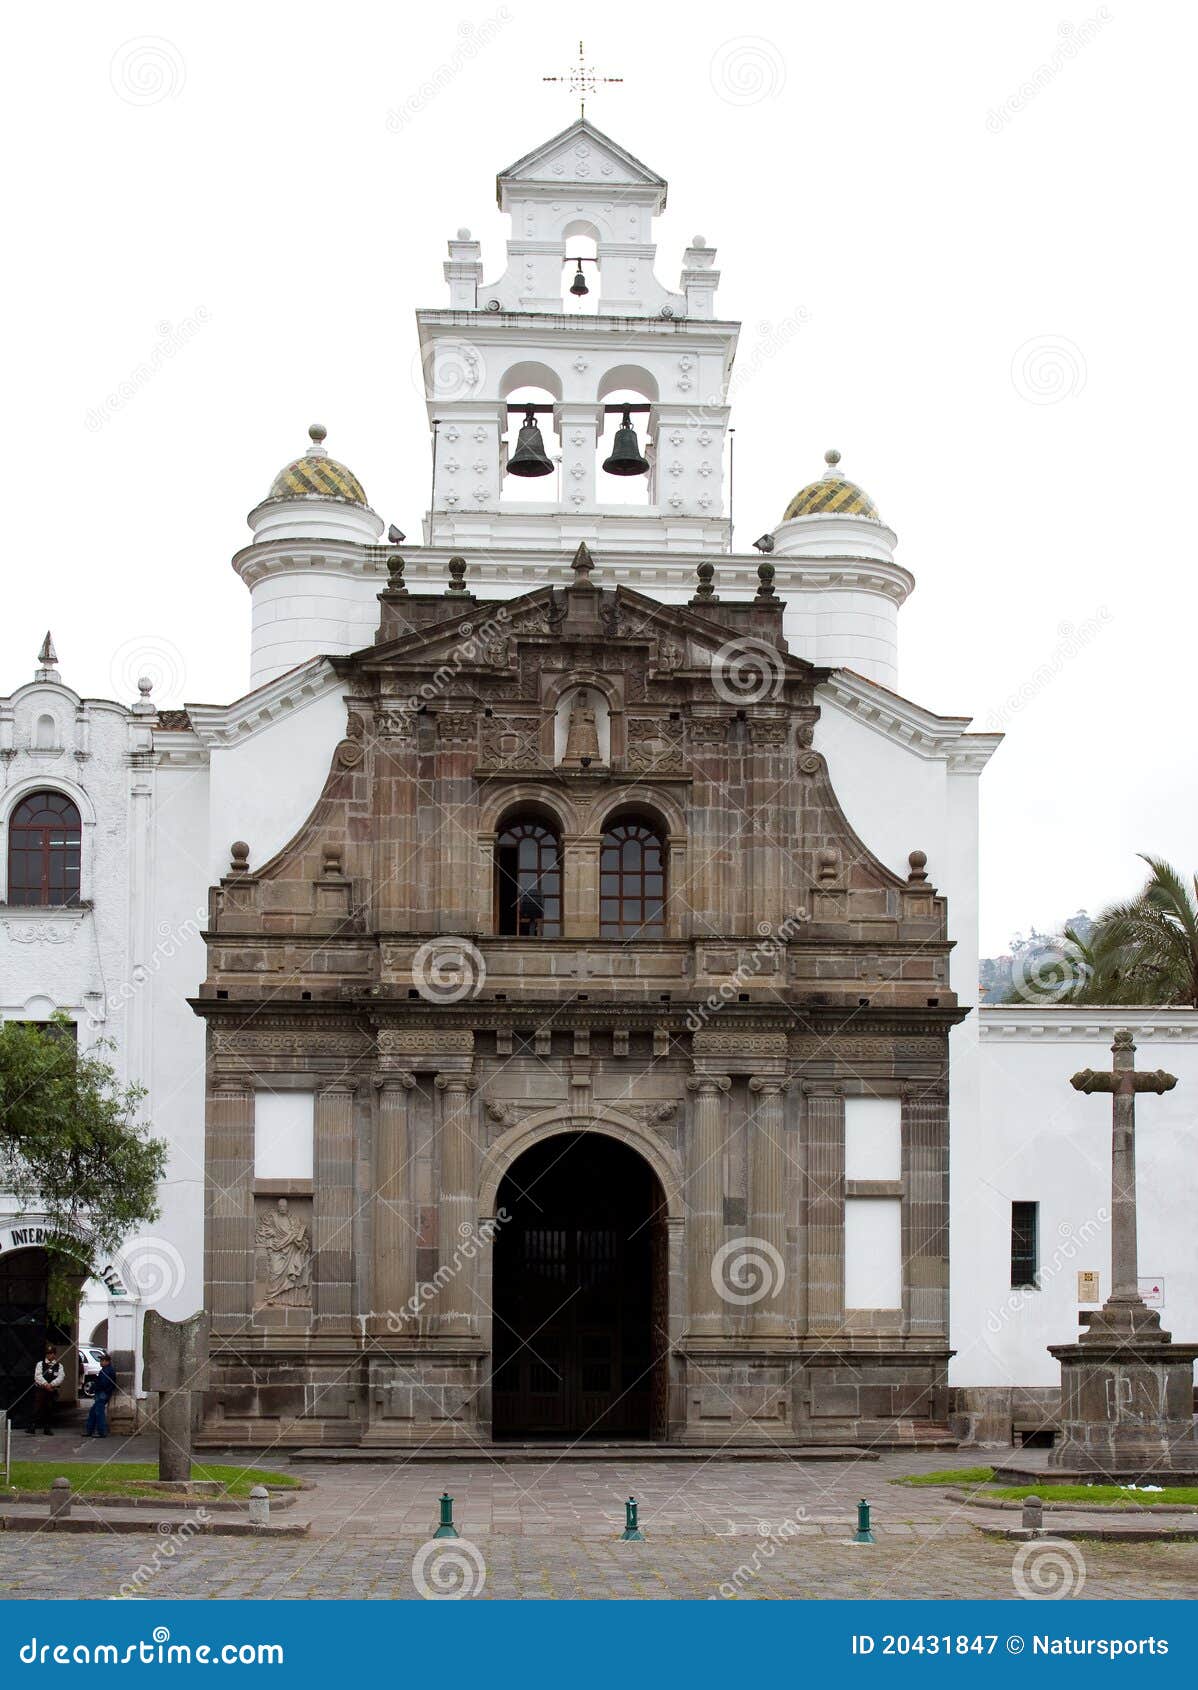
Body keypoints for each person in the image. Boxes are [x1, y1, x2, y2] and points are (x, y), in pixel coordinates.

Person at [29, 1345, 65, 1435]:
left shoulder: (59, 1366)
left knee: (49, 1409)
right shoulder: (40, 1364)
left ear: (54, 1354)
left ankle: (47, 1428)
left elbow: (61, 1377)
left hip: (51, 1390)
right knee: (37, 1408)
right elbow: (37, 1376)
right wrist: (45, 1384)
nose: (49, 1355)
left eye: (51, 1353)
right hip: (41, 1389)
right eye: (48, 1354)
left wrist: (52, 1384)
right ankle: (32, 1426)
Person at [83, 1351, 117, 1439]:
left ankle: (101, 1431)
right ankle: (89, 1430)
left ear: (107, 1362)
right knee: (93, 1412)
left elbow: (103, 1383)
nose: (101, 1362)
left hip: (102, 1393)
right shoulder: (106, 1370)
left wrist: (95, 1386)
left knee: (99, 1413)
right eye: (101, 1360)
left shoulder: (107, 1371)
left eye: (103, 1360)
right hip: (103, 1392)